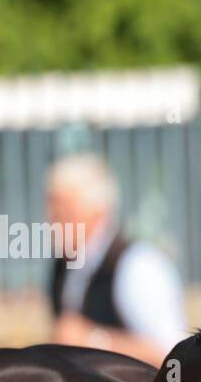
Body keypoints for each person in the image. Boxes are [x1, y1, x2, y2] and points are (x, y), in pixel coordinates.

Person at [46, 154, 187, 366]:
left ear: (98, 210)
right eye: (52, 208)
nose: (52, 219)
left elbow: (174, 356)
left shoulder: (137, 266)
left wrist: (95, 340)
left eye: (64, 208)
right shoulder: (62, 266)